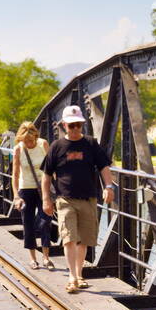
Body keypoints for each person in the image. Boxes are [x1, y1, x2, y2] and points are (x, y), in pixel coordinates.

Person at [42, 104, 115, 293]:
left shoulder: (91, 143)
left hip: (88, 198)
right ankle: (72, 277)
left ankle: (79, 273)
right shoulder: (57, 147)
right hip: (65, 199)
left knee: (83, 239)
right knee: (68, 238)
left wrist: (108, 186)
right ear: (64, 125)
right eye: (71, 125)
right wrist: (46, 199)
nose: (75, 129)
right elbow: (46, 175)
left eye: (78, 125)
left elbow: (104, 167)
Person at [12, 121, 54, 270]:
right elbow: (15, 175)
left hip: (43, 189)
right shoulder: (18, 149)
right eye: (25, 141)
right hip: (26, 189)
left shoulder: (43, 144)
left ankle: (46, 257)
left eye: (31, 140)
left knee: (45, 222)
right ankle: (33, 258)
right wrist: (16, 196)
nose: (29, 143)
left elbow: (52, 168)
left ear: (36, 136)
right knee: (28, 223)